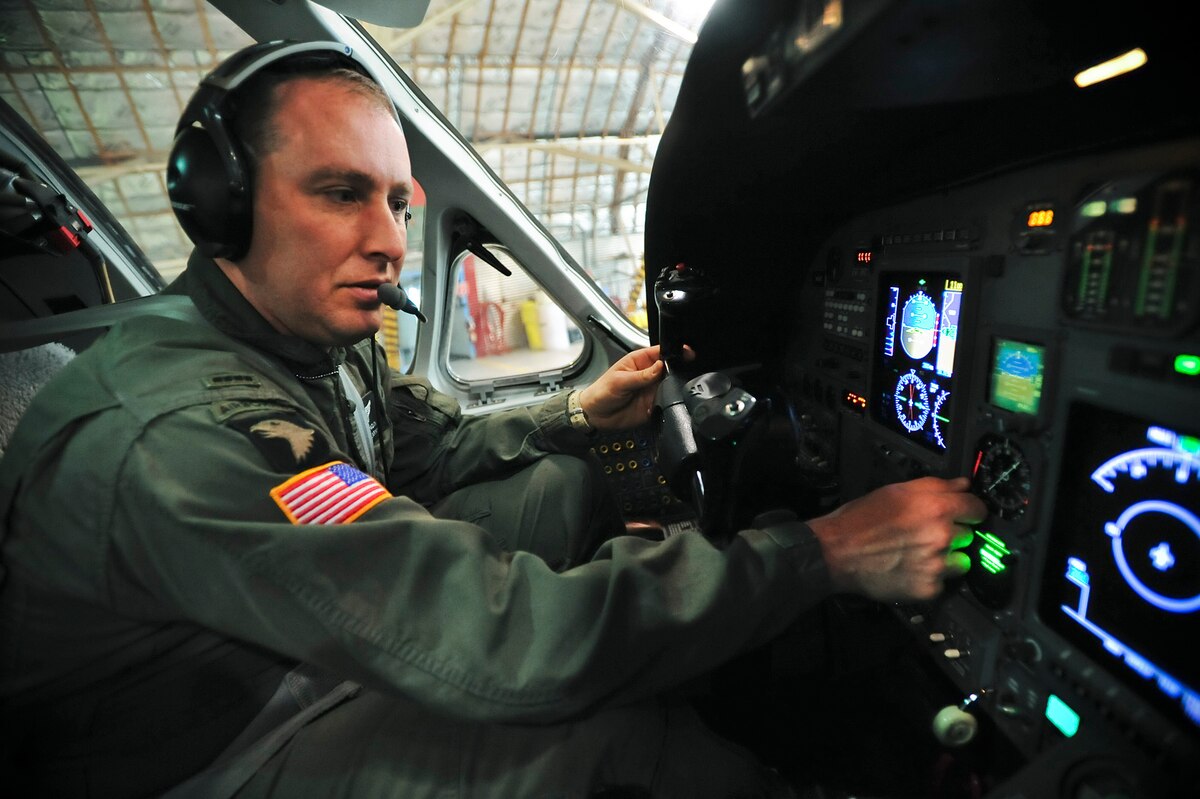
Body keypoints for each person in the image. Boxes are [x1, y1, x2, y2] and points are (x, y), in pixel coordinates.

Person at [0, 41, 985, 798]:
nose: (388, 243)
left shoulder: (308, 338)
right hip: (209, 750)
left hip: (269, 649)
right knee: (596, 734)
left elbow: (433, 451)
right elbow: (498, 643)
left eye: (396, 201)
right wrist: (826, 552)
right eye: (341, 194)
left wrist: (576, 410)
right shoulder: (183, 428)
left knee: (567, 482)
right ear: (219, 205)